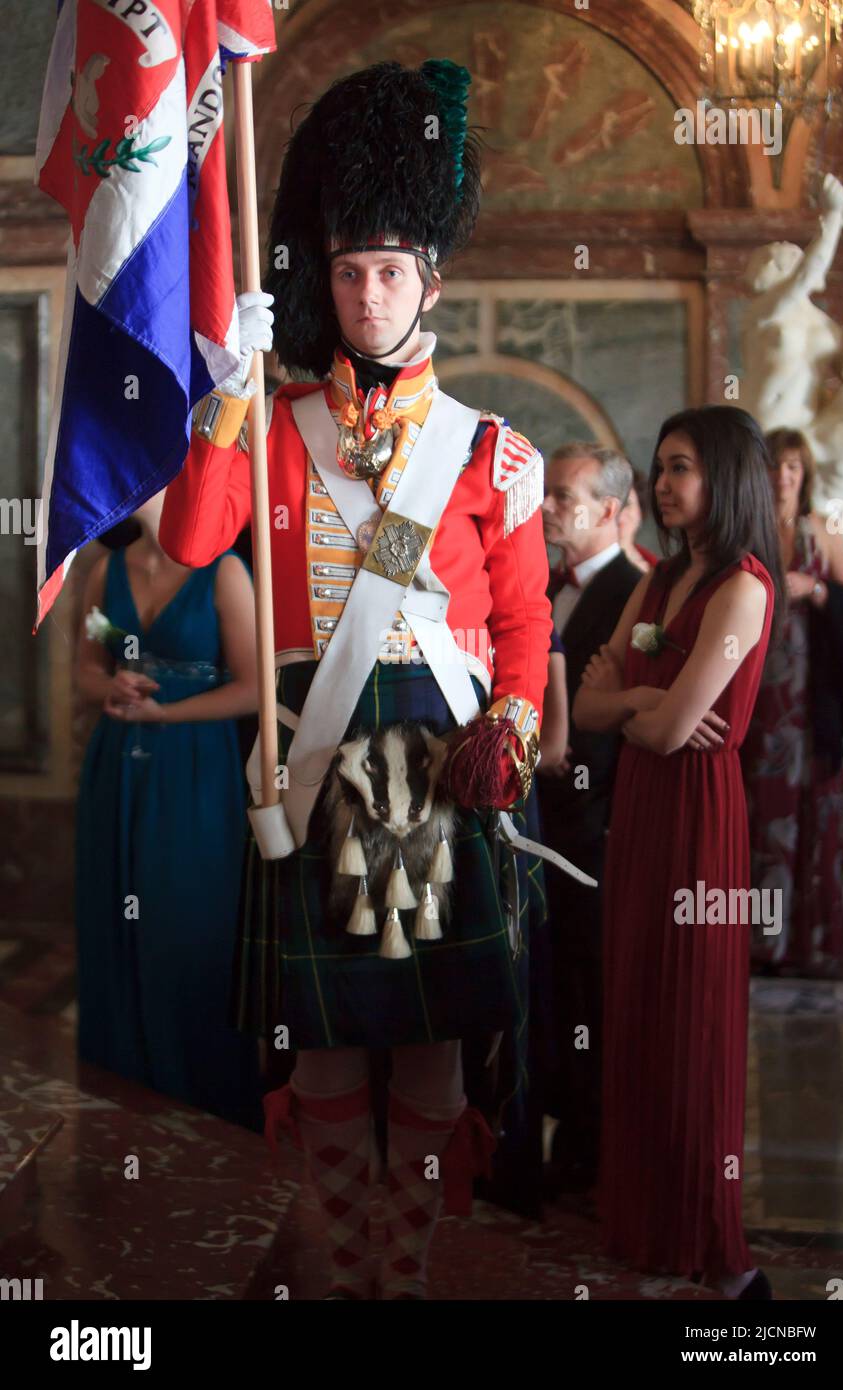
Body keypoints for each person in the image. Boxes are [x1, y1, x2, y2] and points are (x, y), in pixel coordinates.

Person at [159, 61, 551, 1299]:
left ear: (429, 279)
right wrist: (225, 398)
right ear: (319, 281)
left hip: (440, 761)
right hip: (316, 756)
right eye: (346, 271)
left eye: (388, 270)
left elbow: (529, 614)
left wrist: (518, 717)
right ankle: (343, 1263)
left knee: (432, 1055)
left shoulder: (489, 450)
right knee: (325, 1058)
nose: (367, 295)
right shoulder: (273, 424)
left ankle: (408, 1268)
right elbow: (183, 541)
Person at [572, 406, 784, 1298]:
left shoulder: (743, 586)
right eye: (659, 467)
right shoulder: (654, 582)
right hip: (646, 809)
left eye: (683, 467)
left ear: (726, 477)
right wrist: (640, 705)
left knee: (693, 1016)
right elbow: (592, 711)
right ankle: (646, 1219)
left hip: (702, 819)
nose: (663, 484)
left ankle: (712, 1242)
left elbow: (669, 727)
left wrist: (636, 699)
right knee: (639, 1002)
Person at [74, 492, 264, 1130]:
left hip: (195, 770)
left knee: (186, 921)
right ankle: (121, 1088)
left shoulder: (225, 571)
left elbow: (254, 686)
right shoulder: (106, 570)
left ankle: (199, 1095)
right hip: (117, 766)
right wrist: (112, 685)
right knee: (116, 912)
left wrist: (169, 713)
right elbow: (88, 663)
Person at [537, 443, 641, 1197]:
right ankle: (552, 1128)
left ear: (609, 510)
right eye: (544, 492)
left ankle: (594, 1148)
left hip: (595, 821)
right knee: (549, 987)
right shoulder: (540, 583)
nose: (546, 507)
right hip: (537, 816)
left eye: (564, 496)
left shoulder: (638, 595)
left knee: (593, 989)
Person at [742, 429, 843, 974]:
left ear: (804, 474)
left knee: (817, 819)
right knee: (761, 821)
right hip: (757, 706)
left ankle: (814, 946)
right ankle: (761, 945)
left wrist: (813, 590)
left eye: (792, 466)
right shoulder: (745, 532)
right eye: (774, 465)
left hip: (811, 709)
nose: (782, 476)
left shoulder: (823, 532)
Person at [617, 472, 657, 573]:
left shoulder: (658, 571)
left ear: (640, 513)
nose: (617, 511)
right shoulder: (574, 562)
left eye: (626, 503)